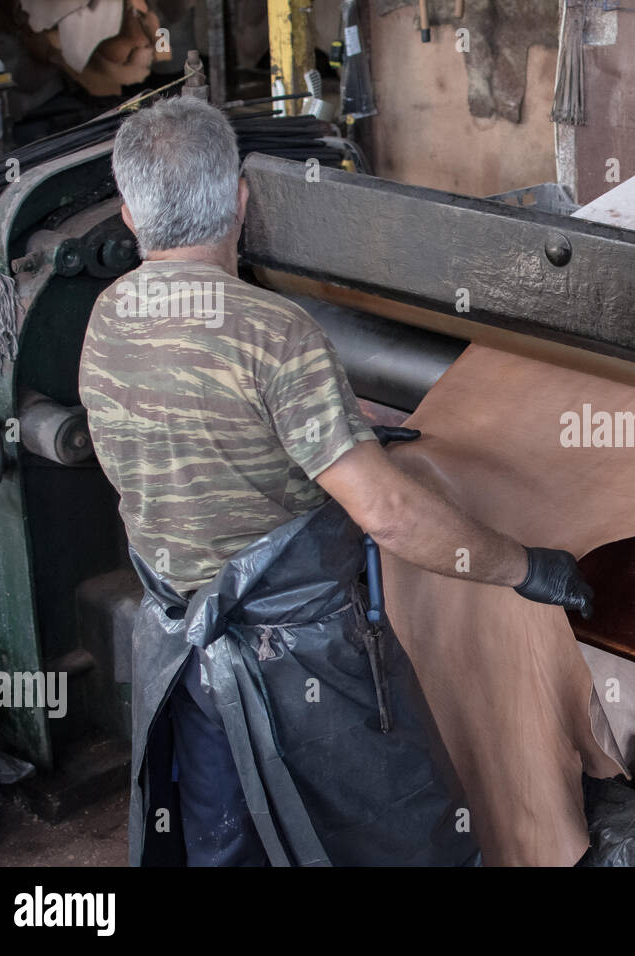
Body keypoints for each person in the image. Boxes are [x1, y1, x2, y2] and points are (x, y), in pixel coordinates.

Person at [78, 94, 594, 866]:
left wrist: (324, 425)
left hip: (183, 655)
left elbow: (193, 426)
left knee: (224, 845)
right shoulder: (275, 334)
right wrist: (528, 567)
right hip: (302, 668)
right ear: (241, 200)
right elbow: (388, 514)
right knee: (401, 844)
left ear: (128, 213)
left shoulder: (107, 315)